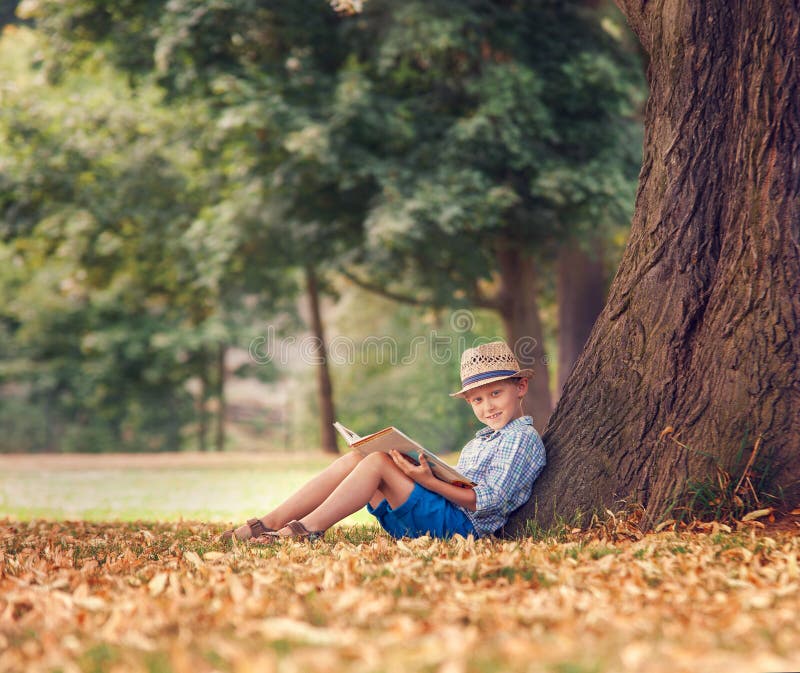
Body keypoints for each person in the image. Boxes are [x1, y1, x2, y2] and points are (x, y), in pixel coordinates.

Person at [220, 340, 546, 542]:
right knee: (359, 458)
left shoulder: (521, 439)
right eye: (477, 400)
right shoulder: (481, 441)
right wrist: (425, 476)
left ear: (520, 387)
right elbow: (464, 485)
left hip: (461, 528)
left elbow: (486, 501)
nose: (487, 406)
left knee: (377, 462)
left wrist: (428, 483)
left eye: (495, 393)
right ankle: (269, 523)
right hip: (433, 518)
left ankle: (304, 531)